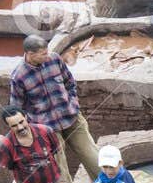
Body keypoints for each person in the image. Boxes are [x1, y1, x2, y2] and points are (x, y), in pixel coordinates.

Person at [7, 34, 97, 175]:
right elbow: (17, 109)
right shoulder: (19, 76)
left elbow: (70, 82)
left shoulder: (54, 59)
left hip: (71, 116)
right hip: (48, 129)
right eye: (43, 54)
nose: (47, 56)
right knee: (61, 171)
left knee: (93, 158)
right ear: (30, 54)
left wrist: (73, 103)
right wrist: (33, 129)